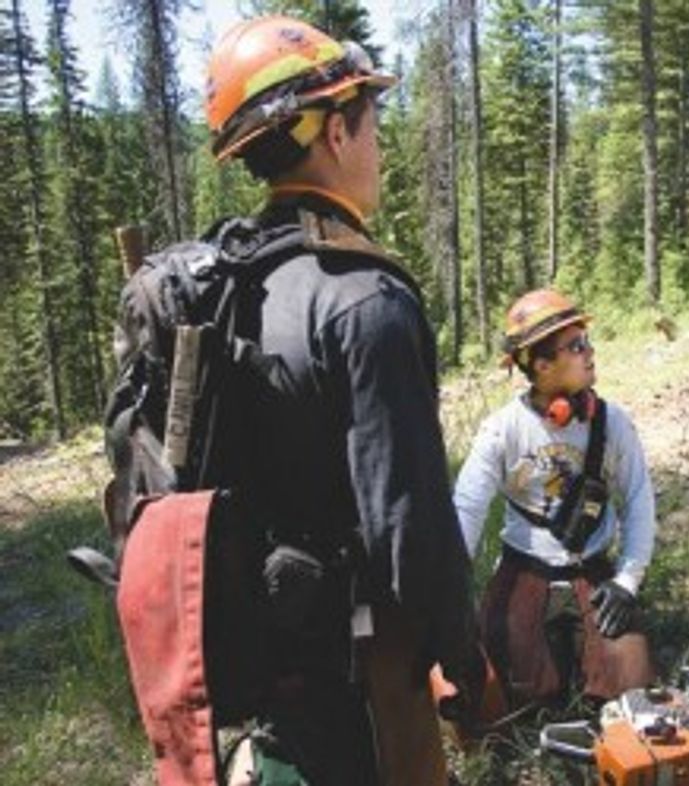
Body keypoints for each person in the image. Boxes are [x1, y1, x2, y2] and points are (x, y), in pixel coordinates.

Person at [196, 16, 476, 785]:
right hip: (360, 661)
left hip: (263, 638)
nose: (379, 144)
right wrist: (465, 657)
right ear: (336, 135)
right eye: (372, 121)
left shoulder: (229, 281)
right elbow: (409, 528)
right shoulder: (365, 300)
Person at [454, 289, 657, 709]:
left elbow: (638, 500)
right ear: (542, 366)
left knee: (631, 687)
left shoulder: (612, 422)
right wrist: (451, 592)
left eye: (587, 341)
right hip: (523, 567)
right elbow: (467, 508)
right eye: (577, 345)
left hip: (593, 566)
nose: (591, 352)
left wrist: (626, 583)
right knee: (512, 691)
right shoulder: (502, 430)